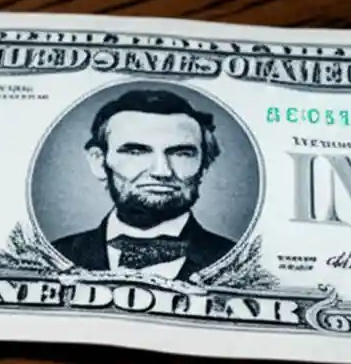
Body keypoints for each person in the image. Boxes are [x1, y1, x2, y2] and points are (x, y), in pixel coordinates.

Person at [50, 88, 236, 280]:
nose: (161, 172)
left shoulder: (237, 262)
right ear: (99, 162)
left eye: (181, 153)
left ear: (204, 166)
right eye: (135, 152)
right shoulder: (54, 256)